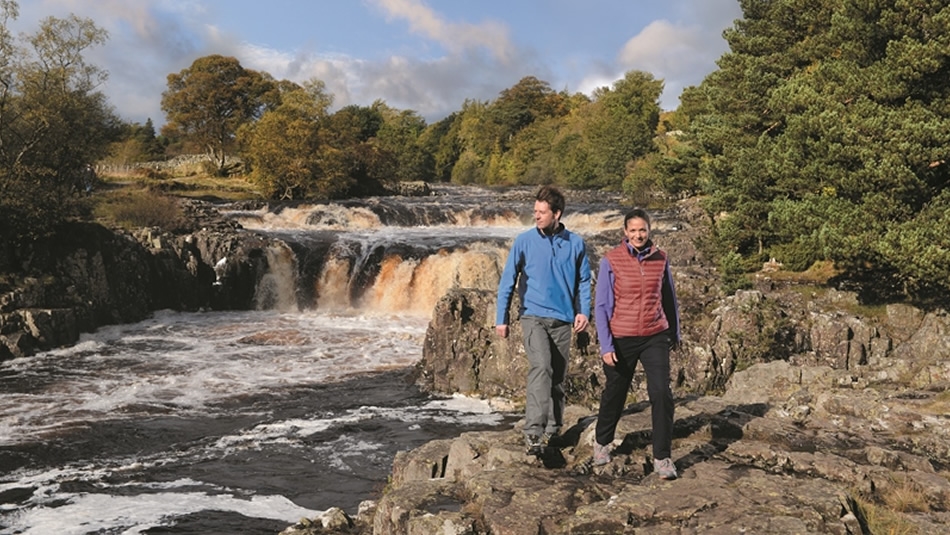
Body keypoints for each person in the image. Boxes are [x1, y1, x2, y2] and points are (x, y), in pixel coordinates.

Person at [495, 185, 591, 455]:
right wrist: (501, 318)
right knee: (541, 367)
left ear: (556, 213)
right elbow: (507, 281)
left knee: (558, 377)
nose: (536, 216)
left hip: (563, 319)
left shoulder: (576, 244)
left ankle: (553, 429)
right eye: (534, 211)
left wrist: (584, 311)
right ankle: (533, 433)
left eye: (541, 212)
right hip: (532, 315)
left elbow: (584, 280)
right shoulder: (524, 241)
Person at [593, 208, 680, 479]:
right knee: (615, 394)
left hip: (655, 335)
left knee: (661, 394)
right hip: (622, 337)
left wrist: (674, 333)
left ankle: (663, 458)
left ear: (649, 231)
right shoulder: (612, 260)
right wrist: (606, 345)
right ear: (625, 233)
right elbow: (602, 305)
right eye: (633, 230)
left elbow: (669, 298)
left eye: (642, 230)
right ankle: (602, 442)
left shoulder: (660, 259)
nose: (638, 235)